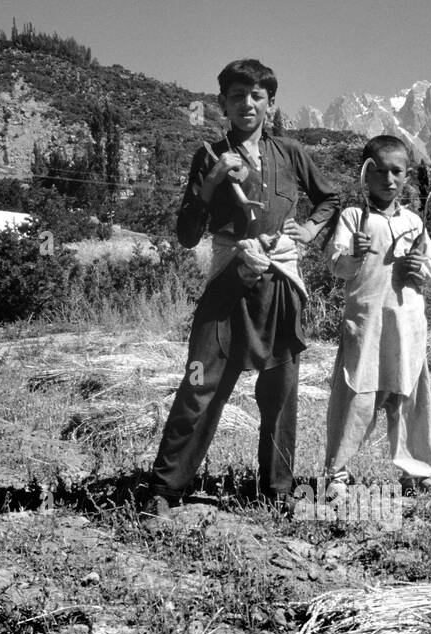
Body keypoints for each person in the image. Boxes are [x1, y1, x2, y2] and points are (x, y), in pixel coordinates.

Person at [142, 58, 339, 523]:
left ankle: (277, 489)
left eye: (257, 96)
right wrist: (211, 183)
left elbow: (329, 198)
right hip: (229, 282)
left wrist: (310, 230)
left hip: (279, 284)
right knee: (199, 383)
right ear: (222, 104)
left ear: (271, 103)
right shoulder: (208, 156)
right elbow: (188, 234)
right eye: (237, 96)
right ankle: (164, 489)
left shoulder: (291, 153)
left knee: (281, 390)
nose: (247, 104)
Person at [325, 136, 431, 495]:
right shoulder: (352, 217)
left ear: (407, 176)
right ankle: (337, 474)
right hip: (366, 323)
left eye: (397, 172)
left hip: (407, 324)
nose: (388, 179)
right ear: (365, 175)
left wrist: (418, 268)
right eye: (379, 171)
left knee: (409, 396)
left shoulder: (413, 220)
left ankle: (417, 473)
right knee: (355, 395)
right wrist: (354, 254)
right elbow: (337, 267)